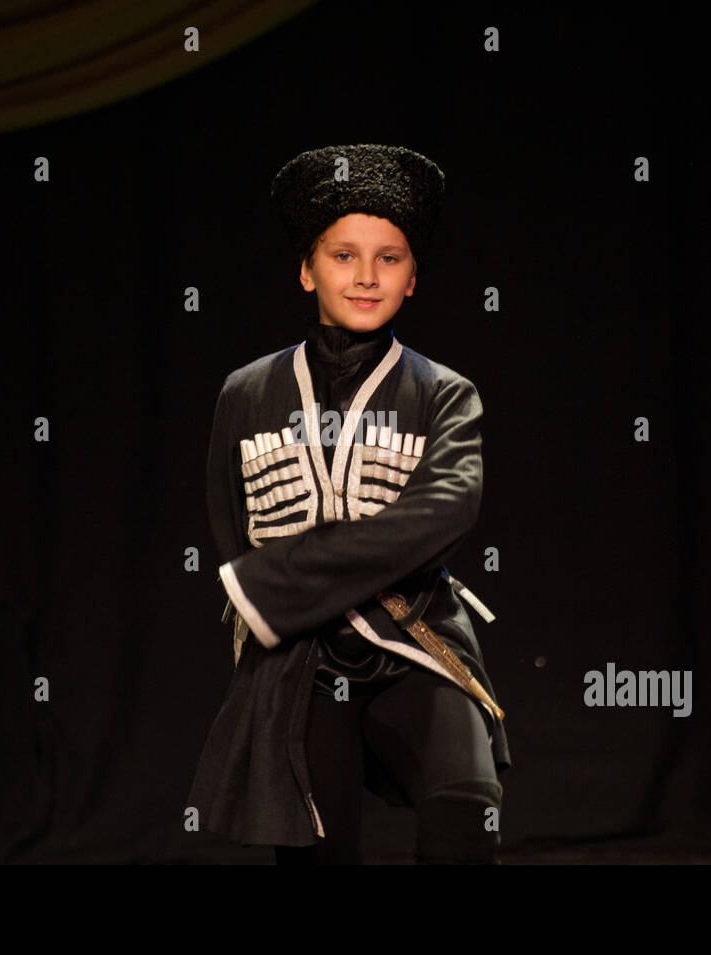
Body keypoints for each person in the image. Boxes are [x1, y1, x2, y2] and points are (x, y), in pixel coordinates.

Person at [186, 144, 511, 864]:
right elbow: (231, 520)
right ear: (307, 269)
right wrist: (267, 588)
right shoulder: (246, 391)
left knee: (468, 805)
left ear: (413, 277)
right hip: (300, 658)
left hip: (414, 641)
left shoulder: (443, 393)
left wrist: (273, 584)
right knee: (316, 841)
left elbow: (441, 513)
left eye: (389, 258)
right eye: (343, 255)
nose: (366, 276)